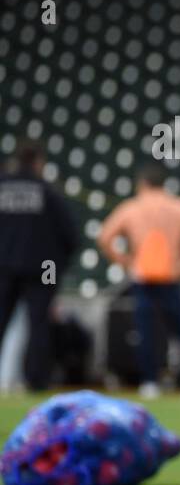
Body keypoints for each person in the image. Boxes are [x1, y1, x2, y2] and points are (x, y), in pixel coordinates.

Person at [97, 162, 180, 397]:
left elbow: (105, 236)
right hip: (170, 276)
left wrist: (125, 261)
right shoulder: (177, 206)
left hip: (143, 277)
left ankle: (150, 382)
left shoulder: (133, 207)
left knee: (145, 331)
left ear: (142, 184)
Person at [0, 139, 80, 391]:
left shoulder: (2, 187)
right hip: (42, 269)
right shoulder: (46, 190)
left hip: (4, 267)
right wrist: (58, 267)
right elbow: (71, 235)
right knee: (39, 325)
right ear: (38, 163)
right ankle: (36, 382)